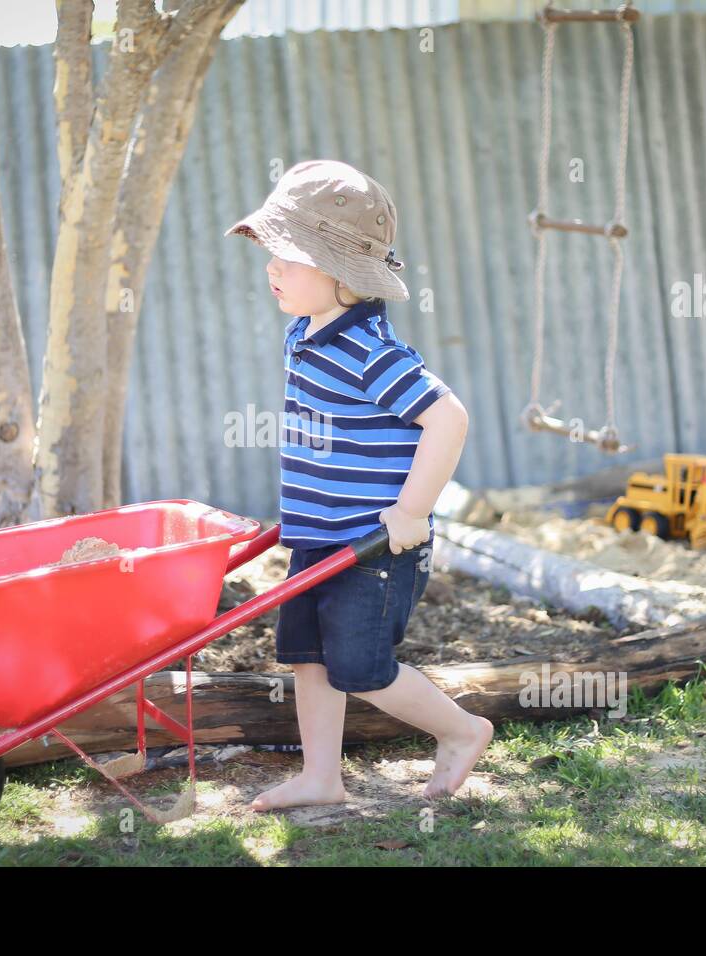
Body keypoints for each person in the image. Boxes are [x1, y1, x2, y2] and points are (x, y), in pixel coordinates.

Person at [224, 159, 494, 810]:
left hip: (375, 546)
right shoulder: (304, 334)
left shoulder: (374, 352)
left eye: (286, 258)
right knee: (308, 658)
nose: (271, 270)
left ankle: (463, 731)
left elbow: (448, 419)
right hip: (321, 534)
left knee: (361, 668)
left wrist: (411, 511)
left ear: (340, 271)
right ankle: (322, 776)